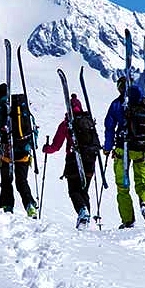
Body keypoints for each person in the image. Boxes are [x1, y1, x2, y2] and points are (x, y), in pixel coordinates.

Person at [103, 76, 145, 229]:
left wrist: (108, 148)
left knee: (122, 187)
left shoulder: (117, 104)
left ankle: (128, 220)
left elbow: (109, 128)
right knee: (143, 182)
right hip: (142, 148)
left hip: (122, 148)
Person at [0, 82, 38, 217]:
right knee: (22, 181)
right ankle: (30, 206)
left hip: (7, 152)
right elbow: (32, 128)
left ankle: (7, 207)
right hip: (24, 151)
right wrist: (32, 146)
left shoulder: (0, 110)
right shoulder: (22, 107)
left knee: (6, 181)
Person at [42, 94, 98, 229]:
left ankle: (83, 213)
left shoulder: (67, 123)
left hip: (74, 160)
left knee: (74, 190)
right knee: (83, 191)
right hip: (90, 160)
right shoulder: (89, 121)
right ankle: (86, 220)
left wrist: (46, 149)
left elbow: (56, 146)